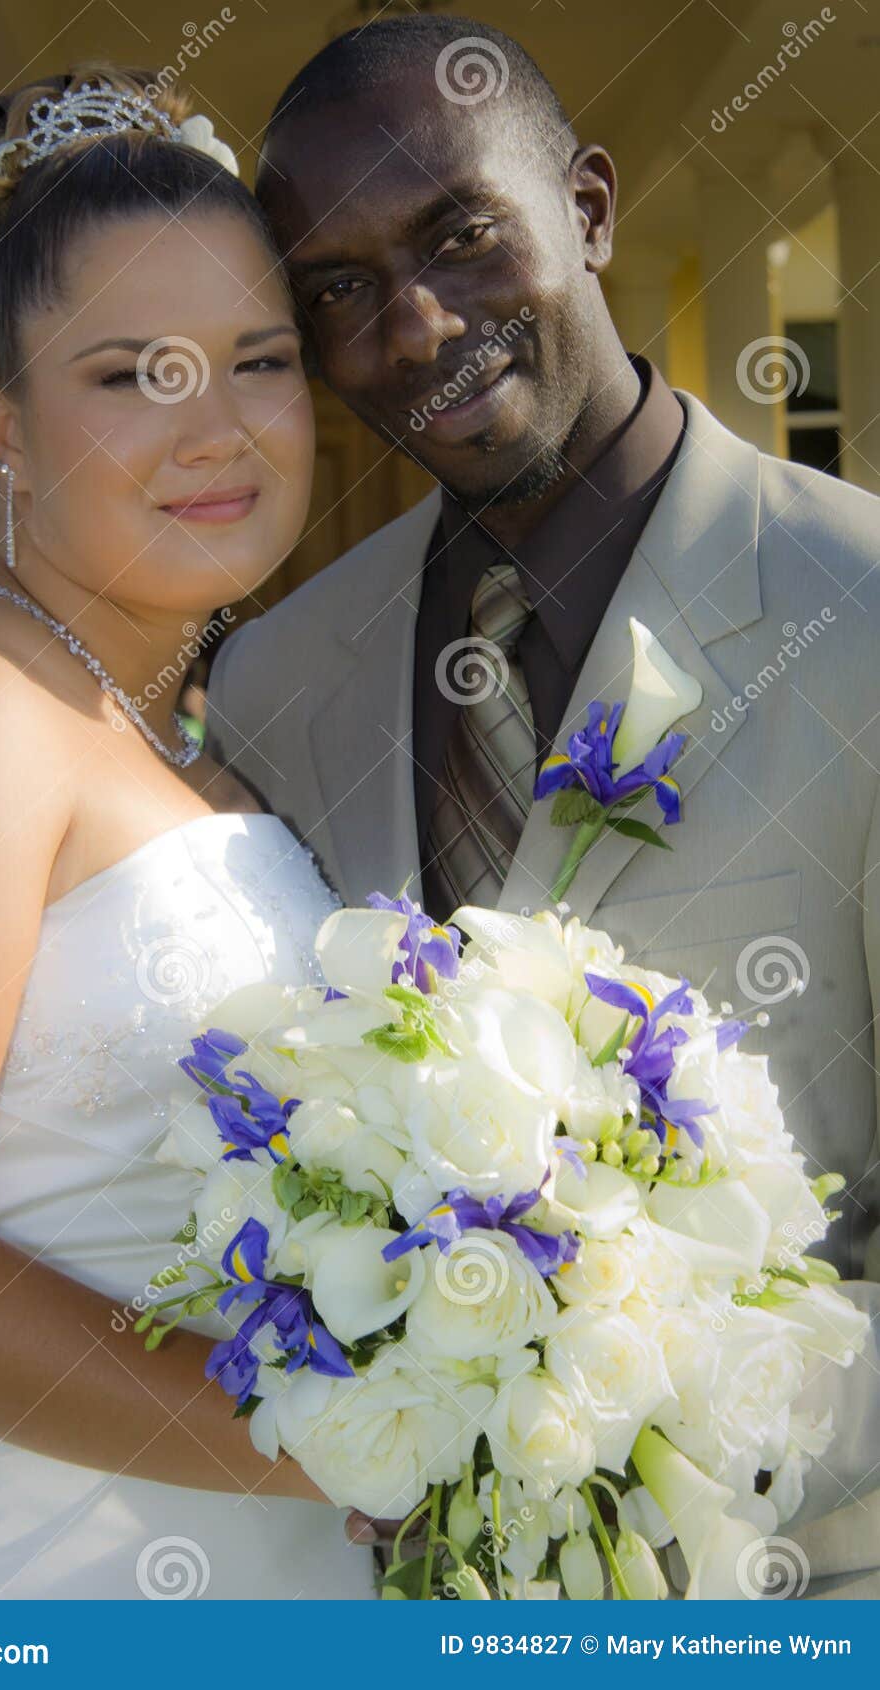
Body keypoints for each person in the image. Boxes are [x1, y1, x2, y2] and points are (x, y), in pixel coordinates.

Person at [205, 16, 880, 1591]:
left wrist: (652, 1447)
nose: (420, 326)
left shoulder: (858, 615)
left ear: (587, 207)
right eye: (340, 291)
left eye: (460, 235)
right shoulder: (282, 678)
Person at [0, 64, 373, 1601]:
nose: (218, 428)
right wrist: (348, 1439)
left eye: (259, 359)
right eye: (129, 375)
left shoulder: (191, 737)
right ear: (3, 424)